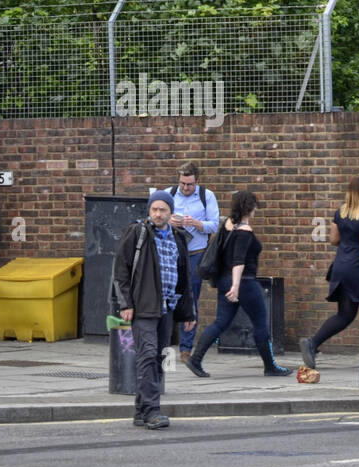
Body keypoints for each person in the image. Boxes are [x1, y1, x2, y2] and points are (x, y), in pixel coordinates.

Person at [113, 190, 196, 430]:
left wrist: (188, 312)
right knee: (147, 354)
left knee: (158, 358)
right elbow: (120, 270)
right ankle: (152, 411)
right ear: (149, 211)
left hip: (167, 308)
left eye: (163, 210)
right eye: (154, 210)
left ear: (171, 212)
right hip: (144, 307)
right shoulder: (138, 233)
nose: (158, 214)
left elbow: (184, 278)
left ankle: (141, 411)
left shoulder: (178, 237)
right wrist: (125, 303)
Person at [185, 190, 291, 378]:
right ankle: (270, 366)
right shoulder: (244, 231)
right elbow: (238, 261)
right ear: (250, 208)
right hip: (244, 283)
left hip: (224, 280)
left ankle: (195, 359)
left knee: (221, 322)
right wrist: (235, 287)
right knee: (260, 323)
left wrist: (231, 285)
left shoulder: (228, 225)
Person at [300, 176, 359, 368]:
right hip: (358, 269)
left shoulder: (340, 213)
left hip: (340, 267)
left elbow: (334, 240)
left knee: (345, 315)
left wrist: (349, 236)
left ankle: (312, 343)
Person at [166, 161, 220, 363]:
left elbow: (214, 225)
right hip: (171, 254)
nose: (185, 188)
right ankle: (163, 343)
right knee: (167, 295)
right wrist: (168, 220)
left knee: (191, 299)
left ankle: (185, 349)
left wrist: (194, 223)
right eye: (182, 183)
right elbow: (152, 218)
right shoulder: (168, 194)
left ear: (197, 181)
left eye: (189, 184)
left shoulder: (207, 196)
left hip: (196, 254)